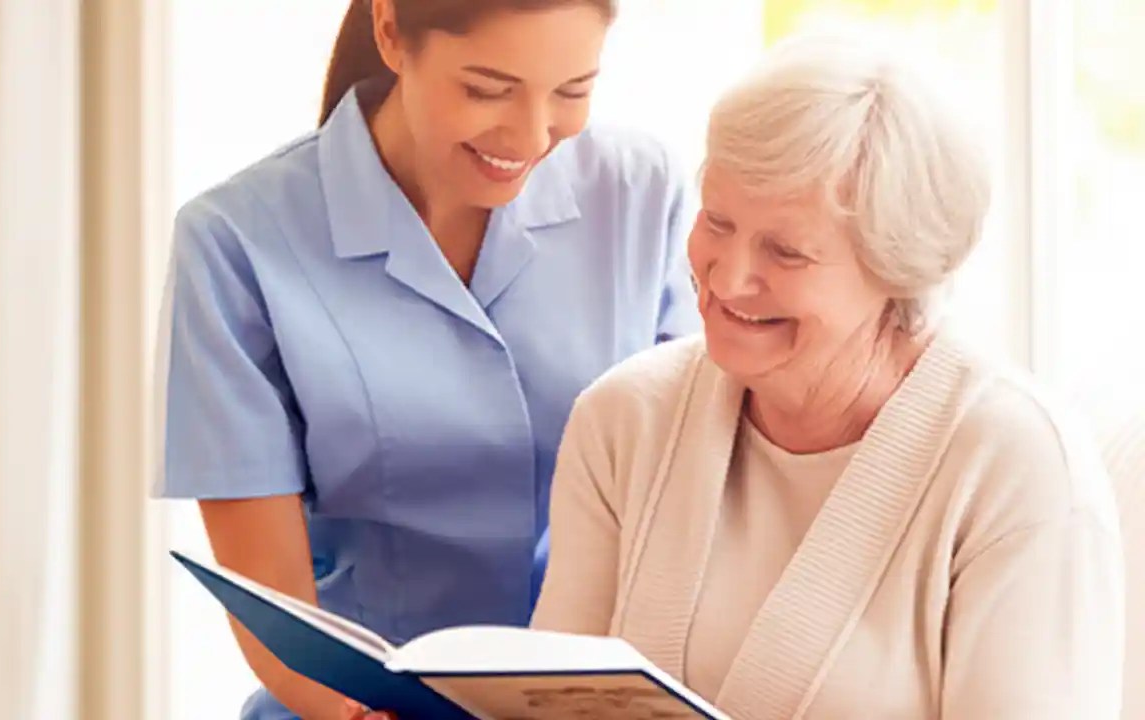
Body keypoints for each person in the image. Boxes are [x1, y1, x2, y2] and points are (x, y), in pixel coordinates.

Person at [532, 33, 1126, 719]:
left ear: (896, 267)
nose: (728, 277)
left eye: (785, 252)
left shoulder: (1016, 468)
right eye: (717, 222)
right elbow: (543, 704)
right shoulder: (624, 418)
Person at [153, 0, 700, 718]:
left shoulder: (641, 192)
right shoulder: (235, 244)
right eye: (487, 89)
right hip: (359, 705)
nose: (533, 136)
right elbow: (276, 609)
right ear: (390, 30)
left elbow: (694, 490)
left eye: (573, 91)